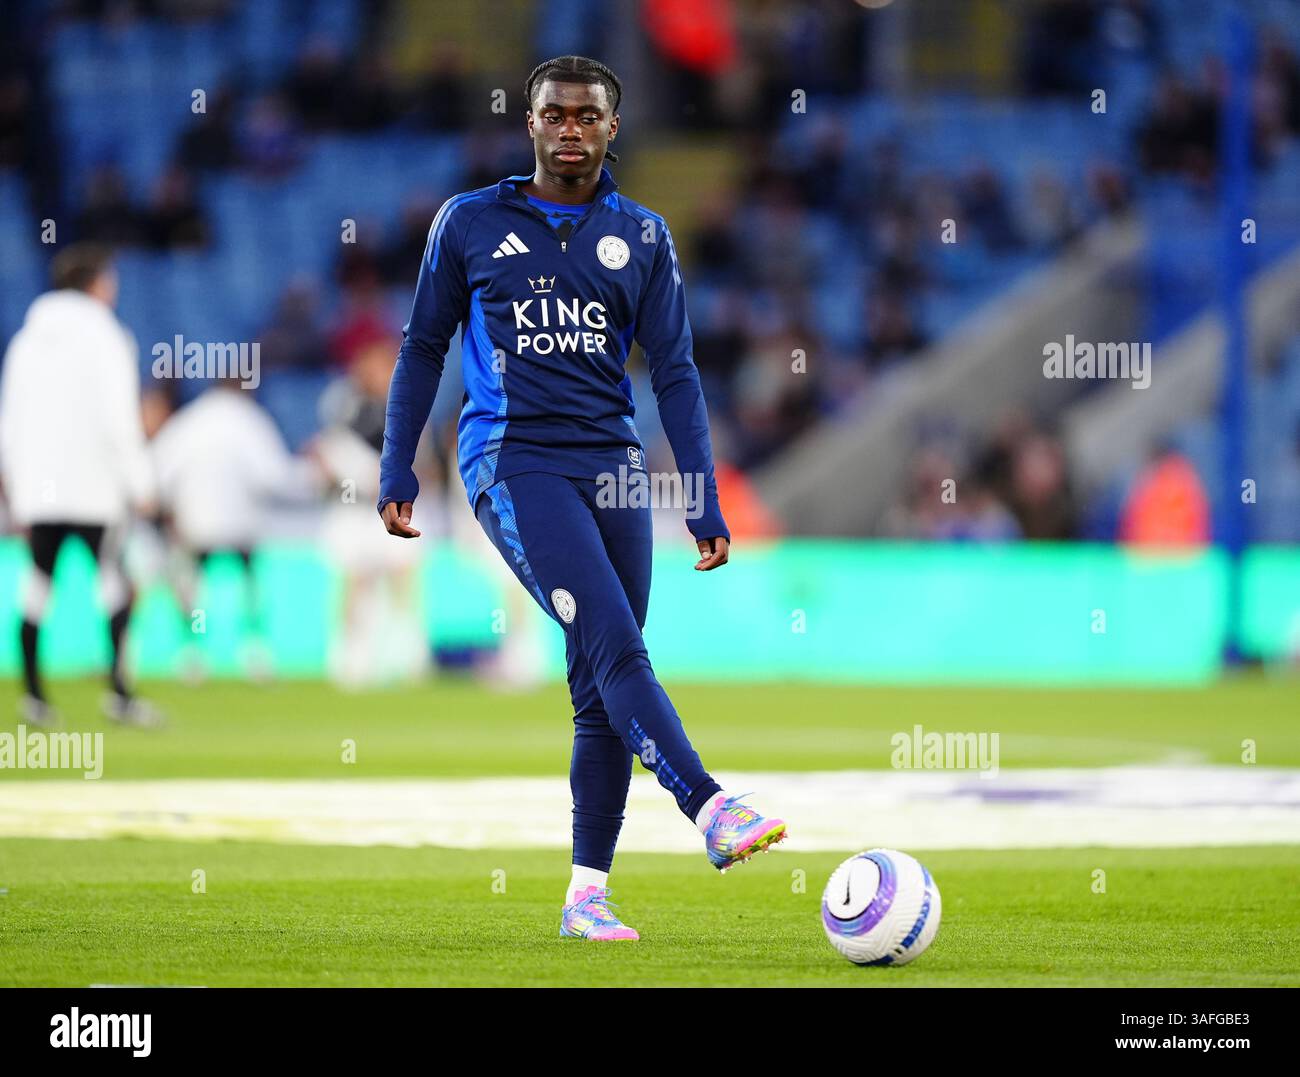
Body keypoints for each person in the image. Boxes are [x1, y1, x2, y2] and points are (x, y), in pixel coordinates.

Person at [377, 55, 786, 941]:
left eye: (586, 116)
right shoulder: (470, 223)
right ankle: (710, 806)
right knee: (614, 641)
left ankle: (585, 895)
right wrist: (397, 464)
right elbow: (421, 348)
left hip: (615, 467)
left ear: (612, 126)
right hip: (512, 462)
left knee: (602, 686)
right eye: (553, 115)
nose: (569, 129)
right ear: (530, 124)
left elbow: (675, 373)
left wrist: (703, 495)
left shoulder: (643, 236)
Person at [0, 244, 157, 726]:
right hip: (95, 488)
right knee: (112, 583)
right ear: (98, 283)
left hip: (39, 489)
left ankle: (34, 696)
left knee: (37, 585)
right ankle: (119, 693)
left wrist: (14, 485)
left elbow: (9, 420)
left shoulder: (26, 341)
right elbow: (119, 418)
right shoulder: (108, 336)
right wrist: (140, 480)